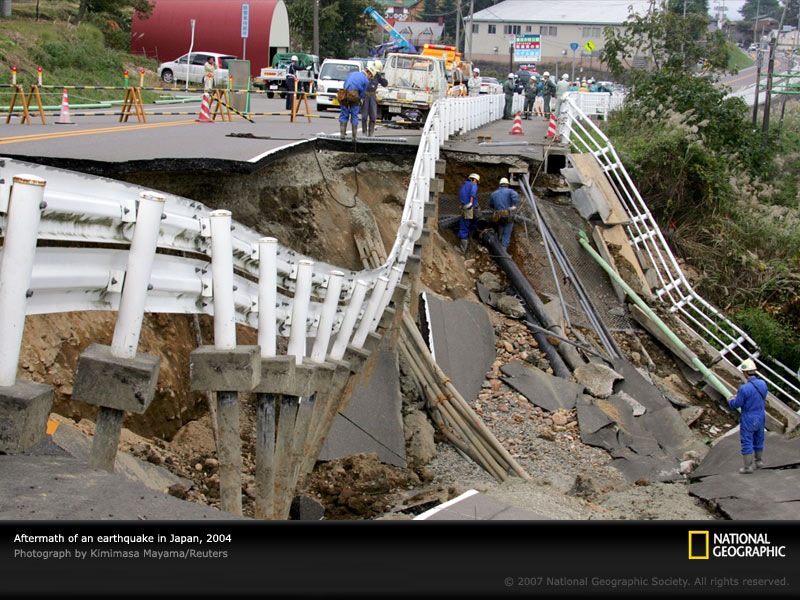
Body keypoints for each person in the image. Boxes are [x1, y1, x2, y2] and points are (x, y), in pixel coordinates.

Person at [728, 359, 768, 474]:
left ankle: (748, 467)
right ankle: (759, 461)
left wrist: (730, 400)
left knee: (747, 441)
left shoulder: (744, 389)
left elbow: (737, 404)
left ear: (745, 373)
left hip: (749, 417)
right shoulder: (763, 384)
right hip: (760, 415)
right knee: (759, 438)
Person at [338, 66, 372, 141]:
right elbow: (362, 93)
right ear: (369, 74)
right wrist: (359, 99)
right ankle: (354, 137)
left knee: (344, 114)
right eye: (371, 77)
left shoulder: (352, 74)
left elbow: (345, 84)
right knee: (354, 116)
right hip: (354, 96)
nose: (370, 78)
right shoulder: (366, 80)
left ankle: (342, 135)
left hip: (344, 94)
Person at [489, 177, 519, 248]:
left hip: (498, 216)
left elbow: (491, 205)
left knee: (500, 228)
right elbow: (515, 195)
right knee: (507, 233)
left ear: (499, 185)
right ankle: (504, 248)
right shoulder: (510, 191)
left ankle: (498, 242)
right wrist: (514, 205)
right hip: (507, 215)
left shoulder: (494, 193)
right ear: (507, 185)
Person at [361, 61, 387, 137]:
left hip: (372, 96)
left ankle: (371, 133)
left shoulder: (378, 75)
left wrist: (382, 77)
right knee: (364, 116)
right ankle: (364, 132)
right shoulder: (366, 73)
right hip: (365, 95)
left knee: (373, 116)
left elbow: (385, 84)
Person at [458, 173, 480, 254]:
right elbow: (473, 193)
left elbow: (462, 198)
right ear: (474, 180)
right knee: (469, 227)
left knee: (464, 227)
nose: (476, 183)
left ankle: (466, 246)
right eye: (476, 181)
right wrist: (470, 202)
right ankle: (464, 249)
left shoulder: (462, 186)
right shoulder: (473, 185)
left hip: (466, 209)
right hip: (471, 208)